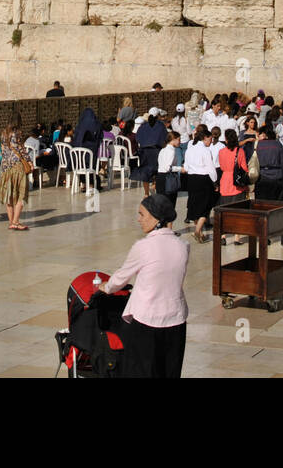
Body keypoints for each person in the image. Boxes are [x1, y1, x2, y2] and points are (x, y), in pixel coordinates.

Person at [99, 194, 189, 378]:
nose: (138, 219)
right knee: (170, 372)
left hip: (147, 321)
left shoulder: (144, 246)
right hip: (176, 319)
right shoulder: (183, 245)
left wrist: (105, 288)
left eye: (142, 214)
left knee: (143, 371)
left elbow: (120, 279)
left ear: (156, 218)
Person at [184, 128, 218, 243]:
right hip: (203, 179)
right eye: (210, 139)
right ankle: (198, 230)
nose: (211, 141)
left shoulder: (190, 150)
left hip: (192, 179)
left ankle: (200, 232)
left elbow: (187, 167)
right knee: (206, 206)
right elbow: (210, 168)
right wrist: (215, 181)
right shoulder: (205, 151)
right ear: (205, 138)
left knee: (194, 204)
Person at [0, 125, 30, 230]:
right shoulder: (17, 133)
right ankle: (16, 222)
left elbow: (2, 150)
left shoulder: (3, 133)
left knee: (9, 195)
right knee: (20, 194)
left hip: (5, 168)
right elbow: (21, 149)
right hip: (17, 166)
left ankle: (11, 222)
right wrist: (29, 161)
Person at [155, 132, 183, 204]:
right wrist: (180, 169)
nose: (180, 142)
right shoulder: (171, 151)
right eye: (179, 139)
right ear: (174, 139)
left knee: (161, 203)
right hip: (167, 178)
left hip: (160, 177)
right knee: (169, 203)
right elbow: (168, 168)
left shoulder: (163, 149)